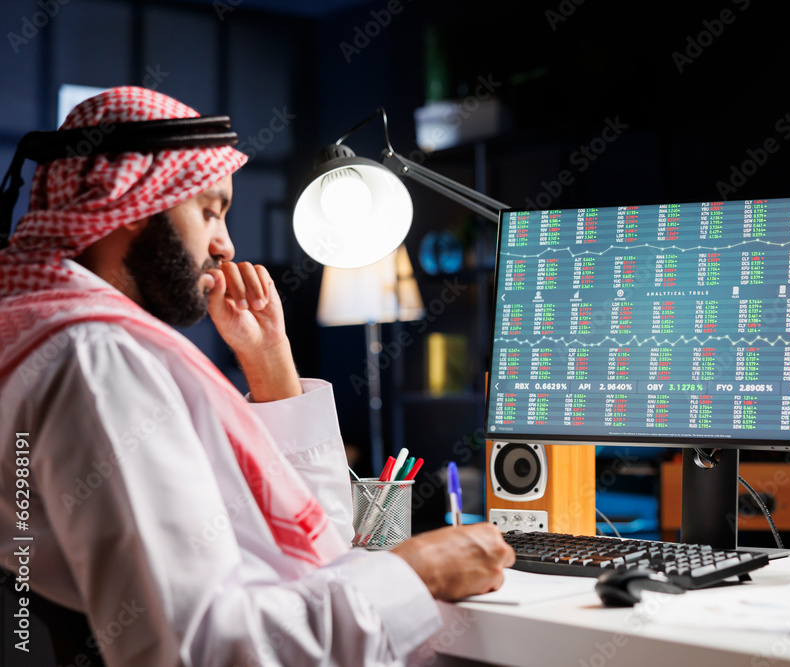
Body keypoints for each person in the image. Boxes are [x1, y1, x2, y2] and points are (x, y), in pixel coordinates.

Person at [0, 86, 514, 666]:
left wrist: (270, 361)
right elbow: (202, 649)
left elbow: (303, 549)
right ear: (135, 208)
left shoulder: (46, 335)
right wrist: (414, 573)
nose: (226, 244)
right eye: (209, 211)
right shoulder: (95, 358)